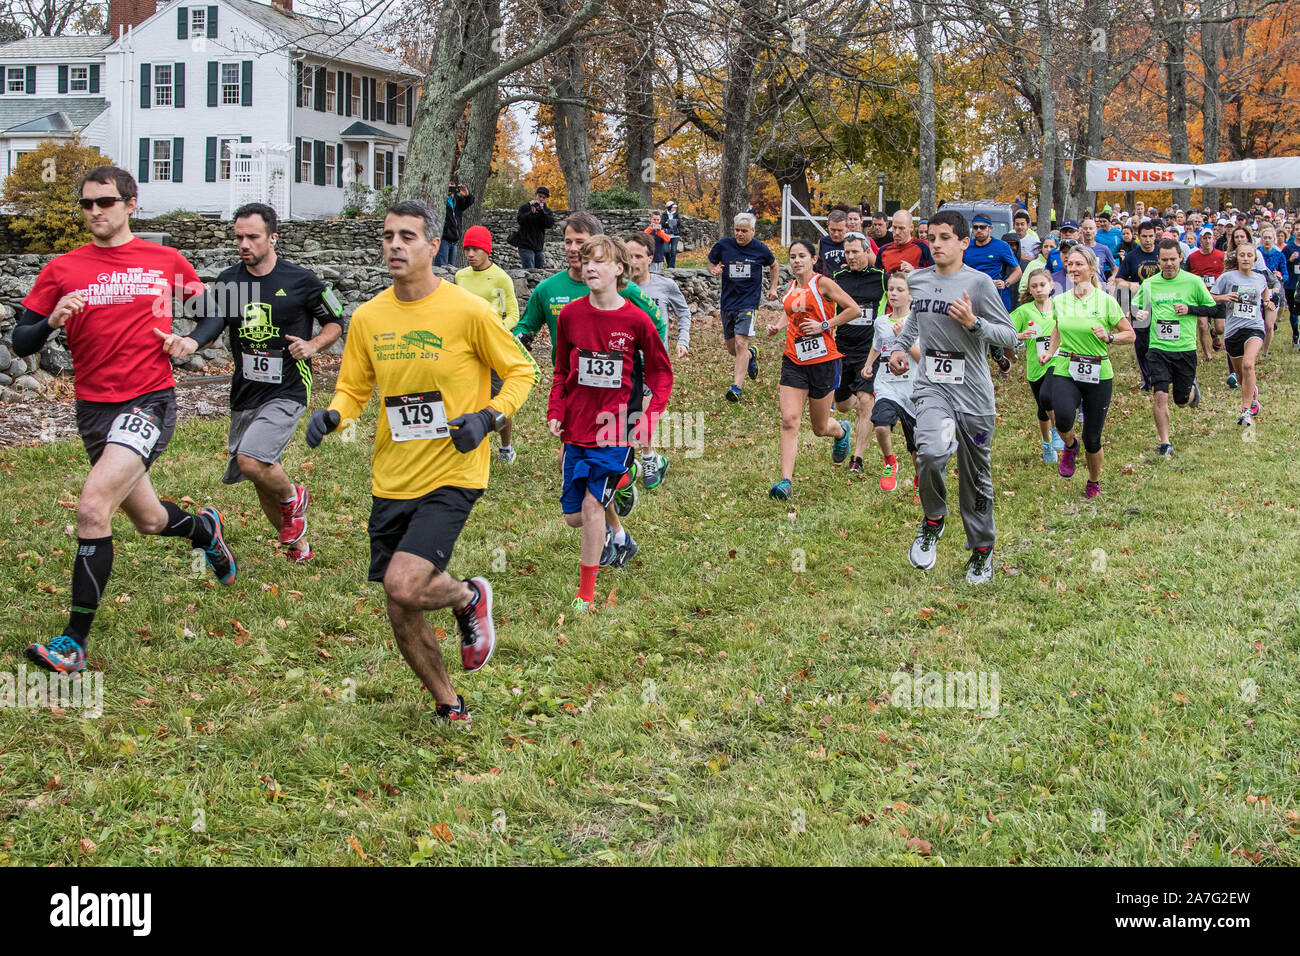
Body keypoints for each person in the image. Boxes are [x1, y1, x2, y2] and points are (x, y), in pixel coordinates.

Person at [306, 200, 538, 722]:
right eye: (388, 236)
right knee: (400, 606)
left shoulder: (468, 311)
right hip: (392, 476)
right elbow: (353, 388)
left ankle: (467, 596)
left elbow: (522, 371)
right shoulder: (368, 317)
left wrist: (488, 417)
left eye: (408, 236)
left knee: (403, 583)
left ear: (434, 246)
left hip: (454, 469)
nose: (394, 245)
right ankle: (449, 703)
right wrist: (334, 417)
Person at [12, 165, 236, 674]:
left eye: (105, 202)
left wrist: (191, 340)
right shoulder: (62, 269)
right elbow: (20, 341)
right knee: (150, 519)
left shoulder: (163, 260)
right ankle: (203, 531)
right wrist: (50, 320)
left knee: (93, 507)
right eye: (88, 203)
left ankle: (74, 643)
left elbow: (217, 311)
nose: (95, 211)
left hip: (149, 401)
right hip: (93, 408)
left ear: (131, 204)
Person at [199, 202, 342, 565]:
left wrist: (311, 345)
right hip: (246, 390)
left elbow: (336, 321)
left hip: (289, 387)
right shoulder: (229, 280)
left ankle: (295, 496)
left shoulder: (302, 280)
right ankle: (300, 548)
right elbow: (215, 322)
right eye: (238, 237)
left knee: (252, 460)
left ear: (273, 237)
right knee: (261, 476)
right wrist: (192, 340)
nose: (244, 244)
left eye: (252, 237)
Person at [887, 209, 1020, 584]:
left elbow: (1010, 337)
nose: (937, 244)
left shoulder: (979, 285)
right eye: (932, 237)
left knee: (975, 477)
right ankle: (933, 519)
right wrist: (899, 348)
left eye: (945, 237)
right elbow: (915, 320)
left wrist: (974, 323)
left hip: (974, 395)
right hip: (932, 387)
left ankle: (981, 551)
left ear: (963, 242)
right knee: (929, 451)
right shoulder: (919, 280)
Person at [547, 235, 673, 612]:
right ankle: (622, 492)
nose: (589, 268)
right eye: (585, 261)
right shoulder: (570, 316)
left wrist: (648, 418)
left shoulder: (636, 319)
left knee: (589, 507)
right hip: (577, 426)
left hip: (616, 427)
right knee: (573, 516)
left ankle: (585, 594)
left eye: (598, 261)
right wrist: (556, 411)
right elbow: (560, 370)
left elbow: (661, 373)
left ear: (619, 269)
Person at [514, 212, 668, 503]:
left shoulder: (624, 288)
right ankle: (615, 512)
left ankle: (639, 465)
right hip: (574, 387)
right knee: (572, 469)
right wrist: (519, 338)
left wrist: (642, 365)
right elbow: (526, 325)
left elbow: (655, 322)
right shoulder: (548, 289)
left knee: (608, 456)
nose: (573, 248)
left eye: (580, 242)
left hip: (619, 383)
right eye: (568, 241)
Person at [763, 239, 861, 498]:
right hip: (794, 360)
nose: (796, 261)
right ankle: (785, 482)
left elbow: (854, 310)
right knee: (789, 420)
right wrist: (778, 326)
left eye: (801, 256)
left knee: (819, 428)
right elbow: (791, 311)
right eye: (792, 256)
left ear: (813, 259)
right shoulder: (791, 287)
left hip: (823, 362)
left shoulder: (823, 284)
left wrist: (825, 325)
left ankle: (841, 430)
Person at [1043, 245, 1134, 499]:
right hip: (1067, 366)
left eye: (1079, 264)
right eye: (1070, 264)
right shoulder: (1059, 299)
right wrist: (1050, 352)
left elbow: (1130, 334)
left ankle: (1093, 481)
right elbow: (1058, 328)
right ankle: (1070, 446)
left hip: (1098, 369)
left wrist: (1111, 336)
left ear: (1092, 269)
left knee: (1093, 437)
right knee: (1061, 418)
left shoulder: (1105, 301)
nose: (1073, 268)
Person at [1133, 239, 1216, 456]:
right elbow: (1133, 305)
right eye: (1164, 260)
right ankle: (1165, 443)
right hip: (1158, 349)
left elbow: (1212, 307)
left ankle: (1191, 392)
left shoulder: (1193, 282)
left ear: (1181, 257)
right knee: (1160, 395)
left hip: (1185, 348)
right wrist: (1137, 313)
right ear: (1158, 261)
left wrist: (1189, 308)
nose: (1169, 263)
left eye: (1173, 259)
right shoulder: (1150, 284)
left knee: (1180, 401)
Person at [625, 231, 689, 487]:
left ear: (650, 258)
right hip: (625, 362)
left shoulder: (664, 286)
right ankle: (635, 460)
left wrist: (683, 340)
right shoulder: (616, 288)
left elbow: (684, 312)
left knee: (642, 416)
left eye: (638, 256)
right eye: (628, 255)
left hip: (653, 363)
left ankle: (650, 459)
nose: (633, 261)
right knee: (625, 415)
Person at [455, 224, 522, 464]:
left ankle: (506, 447)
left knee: (499, 399)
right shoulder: (460, 277)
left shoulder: (501, 278)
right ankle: (470, 443)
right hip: (466, 350)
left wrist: (495, 333)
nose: (470, 254)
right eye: (467, 249)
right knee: (465, 398)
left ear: (487, 250)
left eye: (475, 249)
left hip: (493, 350)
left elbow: (513, 314)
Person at [707, 212, 780, 403]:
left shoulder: (760, 249)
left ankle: (736, 388)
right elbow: (711, 261)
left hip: (749, 303)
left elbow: (774, 265)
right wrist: (713, 269)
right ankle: (751, 355)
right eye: (737, 230)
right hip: (728, 303)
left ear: (753, 231)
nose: (739, 234)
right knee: (733, 348)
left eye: (744, 231)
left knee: (741, 342)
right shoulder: (724, 245)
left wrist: (773, 287)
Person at [831, 232, 887, 472]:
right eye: (847, 252)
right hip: (842, 348)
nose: (851, 256)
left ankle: (857, 460)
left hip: (870, 349)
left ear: (867, 252)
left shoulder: (881, 278)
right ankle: (848, 423)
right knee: (842, 404)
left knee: (866, 401)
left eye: (855, 251)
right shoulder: (838, 278)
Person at [867, 272, 922, 490]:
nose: (894, 294)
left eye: (900, 290)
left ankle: (920, 480)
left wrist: (905, 340)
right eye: (891, 289)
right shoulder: (880, 322)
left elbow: (923, 359)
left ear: (911, 296)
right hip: (886, 385)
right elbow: (877, 345)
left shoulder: (916, 323)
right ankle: (889, 460)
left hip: (913, 389)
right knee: (880, 425)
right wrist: (868, 364)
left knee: (916, 446)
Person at [1009, 268, 1065, 464]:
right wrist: (1018, 335)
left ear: (1051, 286)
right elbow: (1004, 331)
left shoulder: (1061, 306)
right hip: (1035, 365)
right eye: (1034, 286)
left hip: (1058, 361)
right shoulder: (1024, 311)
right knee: (1042, 407)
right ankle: (1047, 442)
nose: (1039, 289)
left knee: (1049, 395)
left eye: (1042, 285)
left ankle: (1058, 429)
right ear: (1029, 290)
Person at [1211, 242, 1268, 426]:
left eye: (1249, 255)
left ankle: (1245, 412)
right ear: (1237, 257)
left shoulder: (1260, 278)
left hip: (1255, 327)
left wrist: (1267, 301)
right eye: (1241, 255)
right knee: (1241, 375)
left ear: (1254, 258)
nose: (1245, 258)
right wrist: (1225, 297)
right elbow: (1210, 296)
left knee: (1248, 364)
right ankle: (1252, 398)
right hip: (1233, 330)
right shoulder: (1227, 278)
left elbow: (1265, 290)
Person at [1115, 219, 1161, 389]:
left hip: (1161, 303)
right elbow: (1118, 280)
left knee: (1160, 341)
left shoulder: (1161, 253)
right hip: (1140, 304)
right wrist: (1130, 284)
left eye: (1151, 236)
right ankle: (1146, 381)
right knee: (1142, 343)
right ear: (1138, 237)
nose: (1148, 240)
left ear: (1156, 236)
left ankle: (1161, 377)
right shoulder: (1132, 257)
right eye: (1144, 236)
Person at [1186, 226, 1226, 359]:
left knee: (1221, 328)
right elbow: (1186, 276)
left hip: (1218, 296)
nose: (1207, 241)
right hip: (1200, 298)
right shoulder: (1192, 258)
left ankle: (1214, 333)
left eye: (1210, 238)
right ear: (1200, 241)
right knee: (1202, 325)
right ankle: (1208, 355)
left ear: (1214, 240)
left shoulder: (1221, 256)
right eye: (1204, 238)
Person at [877, 210, 932, 275]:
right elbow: (877, 278)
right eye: (894, 227)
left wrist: (914, 271)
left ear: (911, 228)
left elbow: (936, 272)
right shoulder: (883, 251)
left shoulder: (924, 247)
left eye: (901, 228)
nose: (897, 232)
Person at [436, 183, 475, 267]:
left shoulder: (457, 199)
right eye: (448, 184)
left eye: (452, 184)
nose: (450, 187)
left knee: (451, 268)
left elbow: (469, 202)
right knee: (441, 267)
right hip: (444, 239)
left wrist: (467, 195)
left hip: (454, 240)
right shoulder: (439, 199)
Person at [515, 187, 554, 270]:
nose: (541, 199)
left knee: (539, 272)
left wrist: (542, 212)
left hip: (538, 248)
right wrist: (531, 213)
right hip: (525, 246)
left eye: (544, 198)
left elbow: (550, 224)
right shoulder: (525, 207)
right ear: (535, 196)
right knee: (530, 272)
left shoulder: (546, 211)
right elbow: (520, 220)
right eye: (540, 196)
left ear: (546, 199)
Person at [1078, 217, 1119, 283]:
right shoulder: (1077, 248)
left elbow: (1114, 268)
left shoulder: (1104, 249)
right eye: (1085, 228)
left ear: (1096, 231)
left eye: (1091, 228)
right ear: (1082, 231)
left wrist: (1113, 277)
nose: (1088, 231)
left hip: (1099, 285)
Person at [1282, 225, 1300, 348]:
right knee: (1294, 312)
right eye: (1297, 229)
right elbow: (1282, 265)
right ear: (1293, 231)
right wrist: (1290, 260)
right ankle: (1295, 334)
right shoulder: (1288, 248)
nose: (1299, 232)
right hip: (1292, 284)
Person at [817, 210, 850, 276]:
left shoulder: (854, 242)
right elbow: (819, 265)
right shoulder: (822, 242)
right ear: (828, 227)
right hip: (827, 282)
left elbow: (872, 264)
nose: (836, 234)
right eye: (833, 230)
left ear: (847, 228)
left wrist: (851, 268)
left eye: (840, 230)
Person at [663, 201, 683, 269]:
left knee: (673, 251)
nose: (675, 208)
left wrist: (671, 222)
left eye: (675, 207)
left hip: (675, 235)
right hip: (666, 235)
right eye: (673, 207)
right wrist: (668, 223)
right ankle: (669, 264)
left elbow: (679, 223)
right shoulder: (664, 214)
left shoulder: (676, 214)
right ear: (669, 207)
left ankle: (671, 266)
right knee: (666, 251)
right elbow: (662, 223)